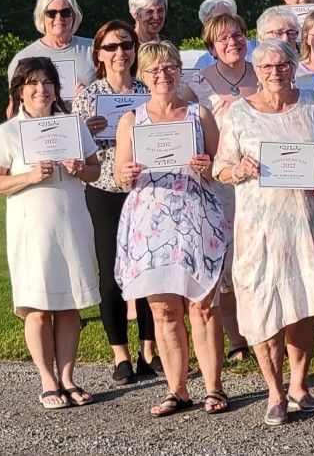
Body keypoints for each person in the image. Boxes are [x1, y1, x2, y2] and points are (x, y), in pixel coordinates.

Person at [211, 39, 314, 426]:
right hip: (259, 228)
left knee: (303, 304)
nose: (275, 73)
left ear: (294, 66)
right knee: (262, 306)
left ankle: (299, 386)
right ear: (256, 71)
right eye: (267, 67)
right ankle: (274, 390)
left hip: (305, 222)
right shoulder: (239, 114)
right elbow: (220, 168)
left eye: (282, 65)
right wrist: (240, 171)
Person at [111, 41, 232, 416]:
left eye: (169, 68)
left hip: (196, 218)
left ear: (180, 71)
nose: (162, 75)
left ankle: (214, 387)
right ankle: (177, 389)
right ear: (142, 75)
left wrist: (205, 165)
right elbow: (117, 175)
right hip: (150, 226)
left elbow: (220, 167)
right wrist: (126, 172)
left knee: (203, 306)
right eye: (153, 70)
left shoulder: (200, 115)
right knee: (163, 310)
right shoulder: (131, 120)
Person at [0, 57, 102, 410]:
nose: (41, 90)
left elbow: (95, 172)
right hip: (31, 228)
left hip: (71, 222)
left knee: (68, 305)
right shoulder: (8, 133)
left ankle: (67, 378)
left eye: (47, 82)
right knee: (37, 307)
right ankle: (47, 381)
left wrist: (81, 168)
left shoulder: (72, 126)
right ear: (19, 91)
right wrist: (27, 177)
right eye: (32, 83)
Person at [73, 20, 157, 384]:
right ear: (99, 55)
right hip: (104, 189)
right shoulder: (89, 96)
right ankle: (120, 354)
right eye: (111, 47)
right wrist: (85, 134)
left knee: (150, 272)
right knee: (111, 275)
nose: (120, 52)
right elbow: (73, 152)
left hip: (145, 188)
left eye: (126, 45)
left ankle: (149, 350)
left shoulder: (147, 88)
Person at [9, 0, 93, 105]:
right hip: (41, 123)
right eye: (51, 13)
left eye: (65, 12)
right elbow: (13, 109)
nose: (59, 18)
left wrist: (91, 94)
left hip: (87, 122)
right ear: (42, 17)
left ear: (73, 16)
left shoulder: (94, 49)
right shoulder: (24, 58)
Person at [190, 12, 259, 103]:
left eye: (237, 35)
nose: (232, 42)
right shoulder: (197, 84)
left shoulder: (263, 74)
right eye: (223, 38)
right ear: (211, 49)